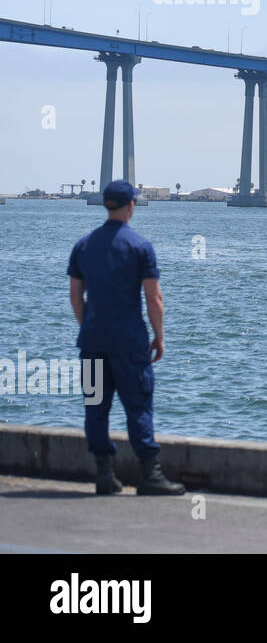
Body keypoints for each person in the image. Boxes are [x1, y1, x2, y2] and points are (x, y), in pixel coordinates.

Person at [67, 180, 184, 497]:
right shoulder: (140, 247)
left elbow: (76, 298)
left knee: (94, 406)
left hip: (91, 344)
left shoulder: (83, 245)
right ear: (131, 205)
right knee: (138, 407)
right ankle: (151, 476)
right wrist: (159, 337)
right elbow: (154, 298)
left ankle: (104, 475)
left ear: (106, 205)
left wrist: (89, 326)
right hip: (130, 345)